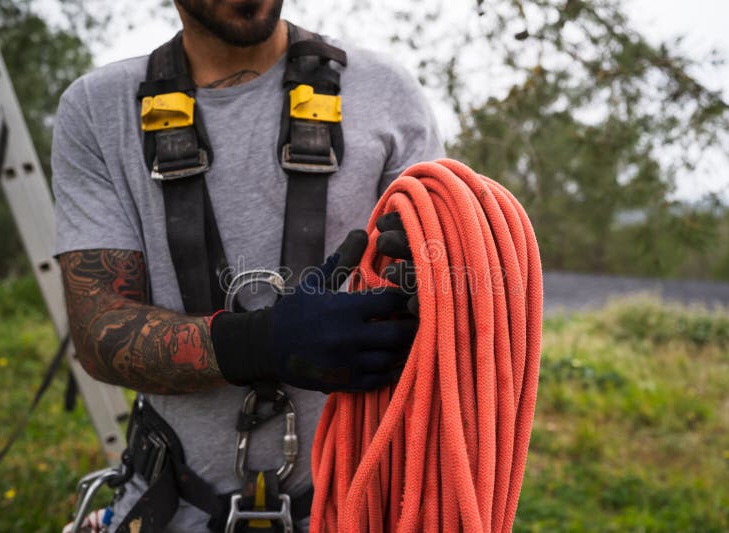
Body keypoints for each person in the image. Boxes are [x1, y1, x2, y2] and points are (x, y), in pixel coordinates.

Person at [52, 0, 443, 530]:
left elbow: (449, 312)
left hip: (356, 508)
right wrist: (262, 343)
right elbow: (99, 329)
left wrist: (431, 284)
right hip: (175, 507)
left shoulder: (387, 93)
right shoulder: (97, 111)